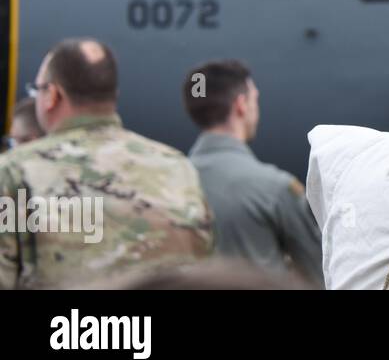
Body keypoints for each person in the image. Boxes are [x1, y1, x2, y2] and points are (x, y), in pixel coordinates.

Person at [0, 38, 212, 289]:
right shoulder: (177, 167)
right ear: (114, 96)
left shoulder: (16, 171)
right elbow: (205, 267)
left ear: (52, 96)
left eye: (38, 90)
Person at [185, 59, 323, 286]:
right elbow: (319, 274)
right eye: (254, 100)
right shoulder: (274, 188)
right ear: (241, 105)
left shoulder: (169, 186)